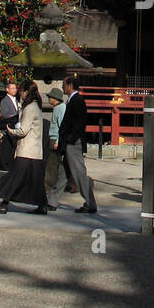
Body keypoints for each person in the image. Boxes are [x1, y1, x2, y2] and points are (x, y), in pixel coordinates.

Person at [0, 80, 50, 214]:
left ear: (26, 92)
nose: (19, 93)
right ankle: (42, 205)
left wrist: (10, 131)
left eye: (21, 90)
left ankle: (5, 202)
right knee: (35, 180)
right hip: (35, 149)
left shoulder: (29, 108)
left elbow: (23, 130)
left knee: (14, 177)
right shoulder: (35, 106)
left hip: (27, 149)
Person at [49, 76, 97, 213]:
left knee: (79, 173)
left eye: (64, 84)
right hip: (69, 142)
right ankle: (52, 201)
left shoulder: (77, 100)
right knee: (63, 173)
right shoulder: (73, 100)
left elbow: (79, 124)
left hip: (73, 143)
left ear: (70, 85)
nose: (63, 87)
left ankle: (90, 203)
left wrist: (70, 139)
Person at [44, 86, 67, 192]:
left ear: (55, 98)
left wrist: (58, 141)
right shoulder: (57, 108)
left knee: (52, 164)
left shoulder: (61, 108)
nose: (49, 99)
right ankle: (71, 183)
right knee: (55, 163)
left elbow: (62, 126)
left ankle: (48, 185)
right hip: (52, 137)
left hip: (56, 139)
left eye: (50, 97)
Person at [0, 81, 20, 171]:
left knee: (13, 147)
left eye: (15, 88)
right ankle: (5, 164)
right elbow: (4, 114)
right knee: (7, 146)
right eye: (12, 88)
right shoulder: (5, 100)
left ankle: (11, 163)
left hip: (15, 125)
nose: (15, 90)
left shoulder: (16, 100)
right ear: (7, 89)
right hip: (8, 125)